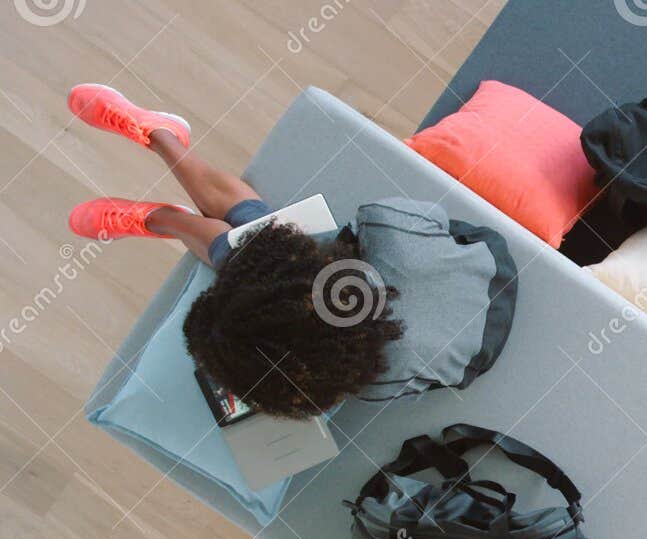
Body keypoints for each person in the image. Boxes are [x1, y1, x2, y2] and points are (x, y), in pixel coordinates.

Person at [64, 84, 402, 417]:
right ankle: (162, 176)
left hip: (328, 324)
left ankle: (164, 194)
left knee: (246, 244)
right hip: (342, 297)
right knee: (247, 246)